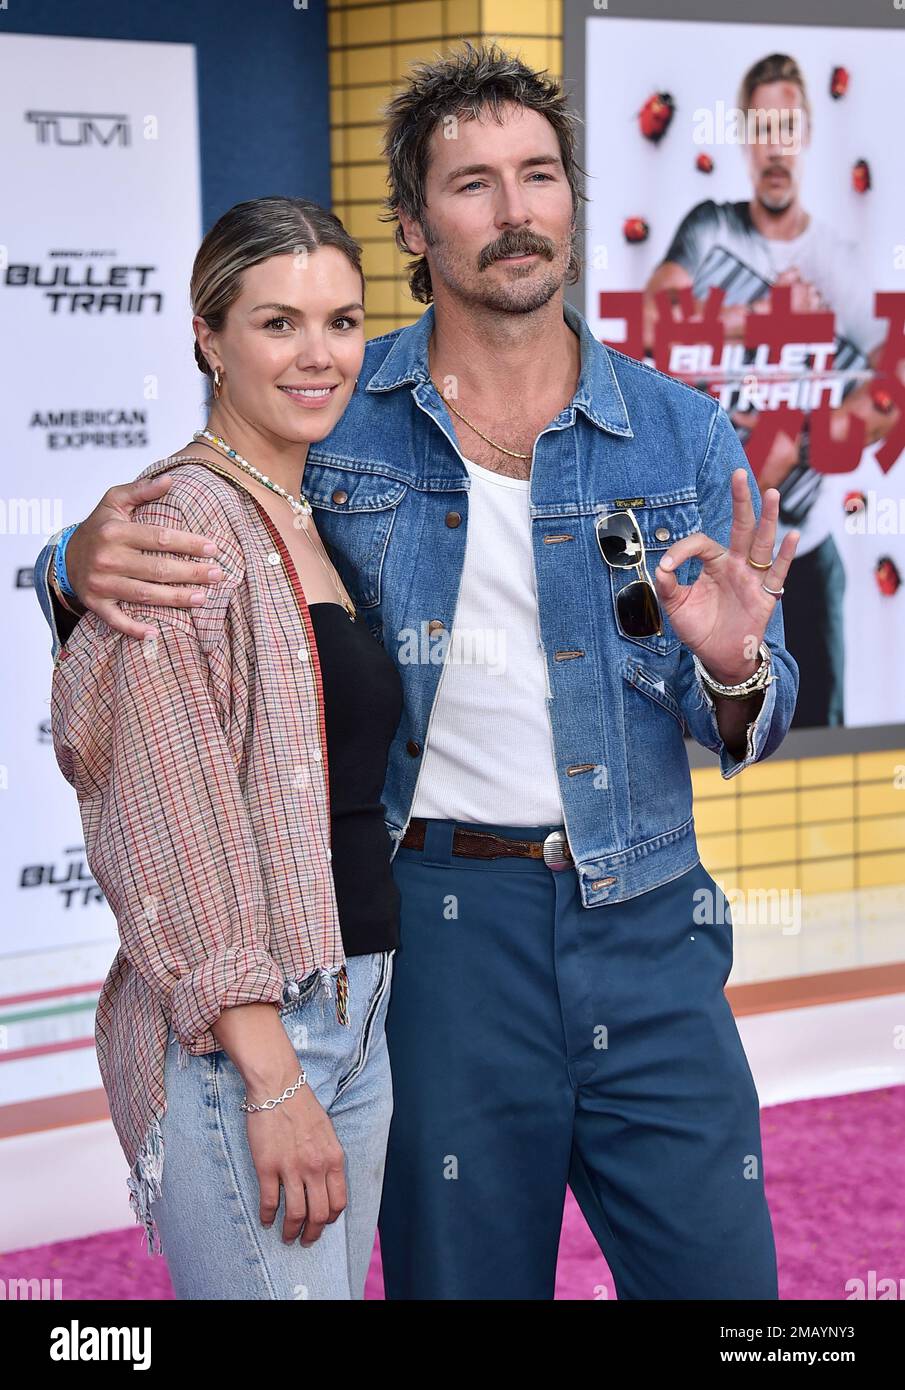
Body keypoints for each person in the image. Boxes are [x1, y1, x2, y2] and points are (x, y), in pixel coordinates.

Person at [38, 43, 800, 1300]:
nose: (512, 214)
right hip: (435, 938)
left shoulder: (678, 428)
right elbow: (200, 540)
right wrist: (67, 561)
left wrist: (728, 674)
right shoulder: (343, 414)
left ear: (572, 198)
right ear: (411, 221)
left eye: (538, 176)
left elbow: (748, 720)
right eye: (471, 185)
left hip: (648, 927)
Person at [47, 196, 403, 1299]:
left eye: (342, 322)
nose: (319, 355)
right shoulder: (181, 529)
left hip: (355, 1005)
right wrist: (268, 1075)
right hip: (250, 1036)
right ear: (207, 336)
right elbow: (170, 819)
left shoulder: (308, 509)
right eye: (277, 323)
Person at [644, 52, 892, 727]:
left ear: (806, 132)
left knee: (809, 731)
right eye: (761, 127)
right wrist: (763, 317)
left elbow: (892, 380)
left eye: (787, 126)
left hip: (802, 557)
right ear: (744, 137)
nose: (774, 145)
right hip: (700, 553)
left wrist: (795, 449)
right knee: (689, 734)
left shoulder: (837, 262)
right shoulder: (711, 227)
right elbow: (653, 316)